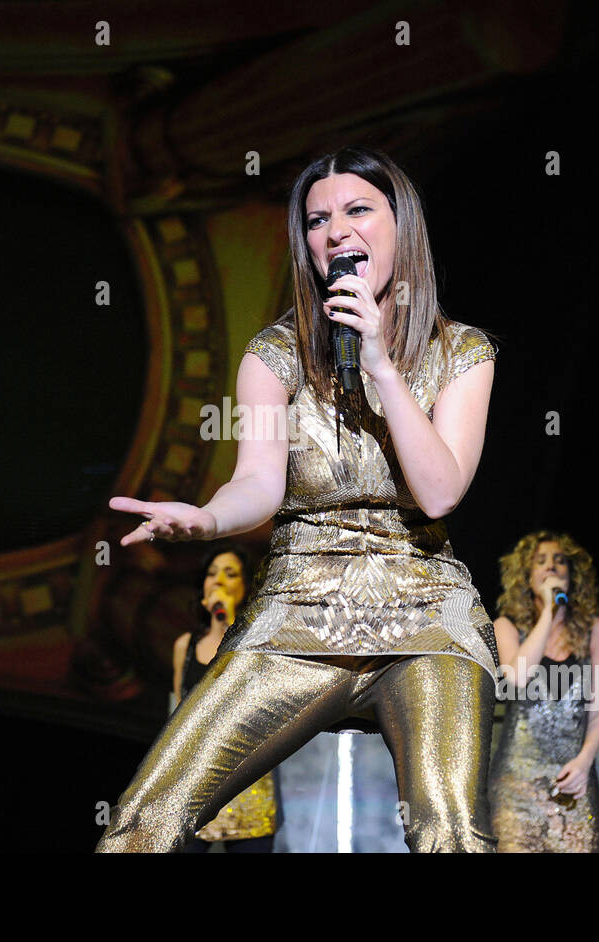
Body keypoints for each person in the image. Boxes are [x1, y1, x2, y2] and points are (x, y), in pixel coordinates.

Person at [96, 145, 501, 853]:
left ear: (400, 225)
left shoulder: (461, 351)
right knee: (143, 817)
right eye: (317, 219)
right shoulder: (273, 355)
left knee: (451, 832)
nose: (336, 231)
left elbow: (440, 492)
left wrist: (379, 363)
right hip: (298, 613)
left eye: (357, 210)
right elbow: (255, 485)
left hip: (426, 617)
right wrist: (206, 517)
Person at [488, 530, 599, 852]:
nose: (552, 568)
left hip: (574, 782)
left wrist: (584, 763)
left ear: (573, 576)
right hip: (517, 786)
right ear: (526, 576)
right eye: (540, 562)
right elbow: (516, 678)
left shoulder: (594, 630)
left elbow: (598, 714)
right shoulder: (507, 625)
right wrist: (547, 613)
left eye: (560, 562)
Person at [174, 545, 281, 853]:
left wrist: (231, 624)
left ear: (245, 586)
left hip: (247, 787)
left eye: (230, 574)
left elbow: (257, 702)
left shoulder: (260, 643)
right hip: (193, 789)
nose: (218, 580)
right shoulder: (184, 645)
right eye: (211, 574)